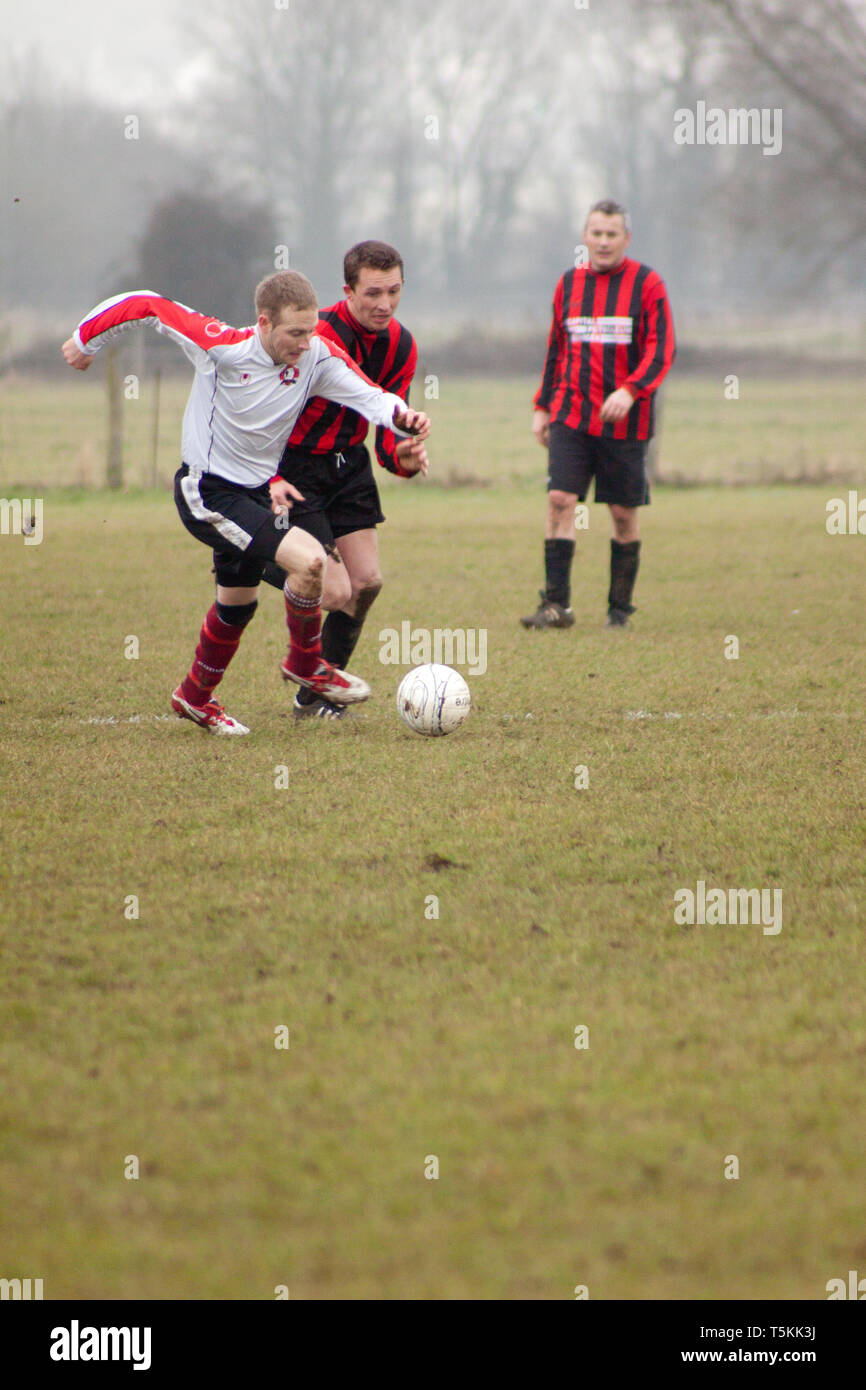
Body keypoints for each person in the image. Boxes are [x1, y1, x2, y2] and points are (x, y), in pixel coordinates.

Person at [61, 272, 430, 734]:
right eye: (294, 332)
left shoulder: (316, 356)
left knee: (238, 604)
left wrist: (404, 418)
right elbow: (148, 303)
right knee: (311, 562)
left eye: (311, 330)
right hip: (208, 491)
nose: (305, 342)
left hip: (257, 494)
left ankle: (194, 697)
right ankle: (305, 663)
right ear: (264, 323)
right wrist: (85, 339)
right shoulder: (224, 347)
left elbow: (372, 398)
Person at [262, 240, 426, 718]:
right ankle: (256, 551)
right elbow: (264, 410)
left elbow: (389, 434)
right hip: (296, 468)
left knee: (368, 582)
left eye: (394, 292)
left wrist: (407, 457)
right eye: (373, 293)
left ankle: (314, 700)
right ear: (347, 290)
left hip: (349, 466)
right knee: (333, 591)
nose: (385, 304)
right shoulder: (314, 333)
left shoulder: (401, 344)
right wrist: (265, 475)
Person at [521, 199, 675, 631]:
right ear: (585, 237)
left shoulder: (648, 284)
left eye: (612, 234)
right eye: (596, 233)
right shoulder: (568, 284)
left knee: (623, 515)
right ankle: (556, 607)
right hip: (571, 415)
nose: (603, 241)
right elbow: (556, 348)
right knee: (559, 501)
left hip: (626, 423)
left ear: (626, 238)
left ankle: (619, 611)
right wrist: (542, 406)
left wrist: (631, 390)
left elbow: (661, 350)